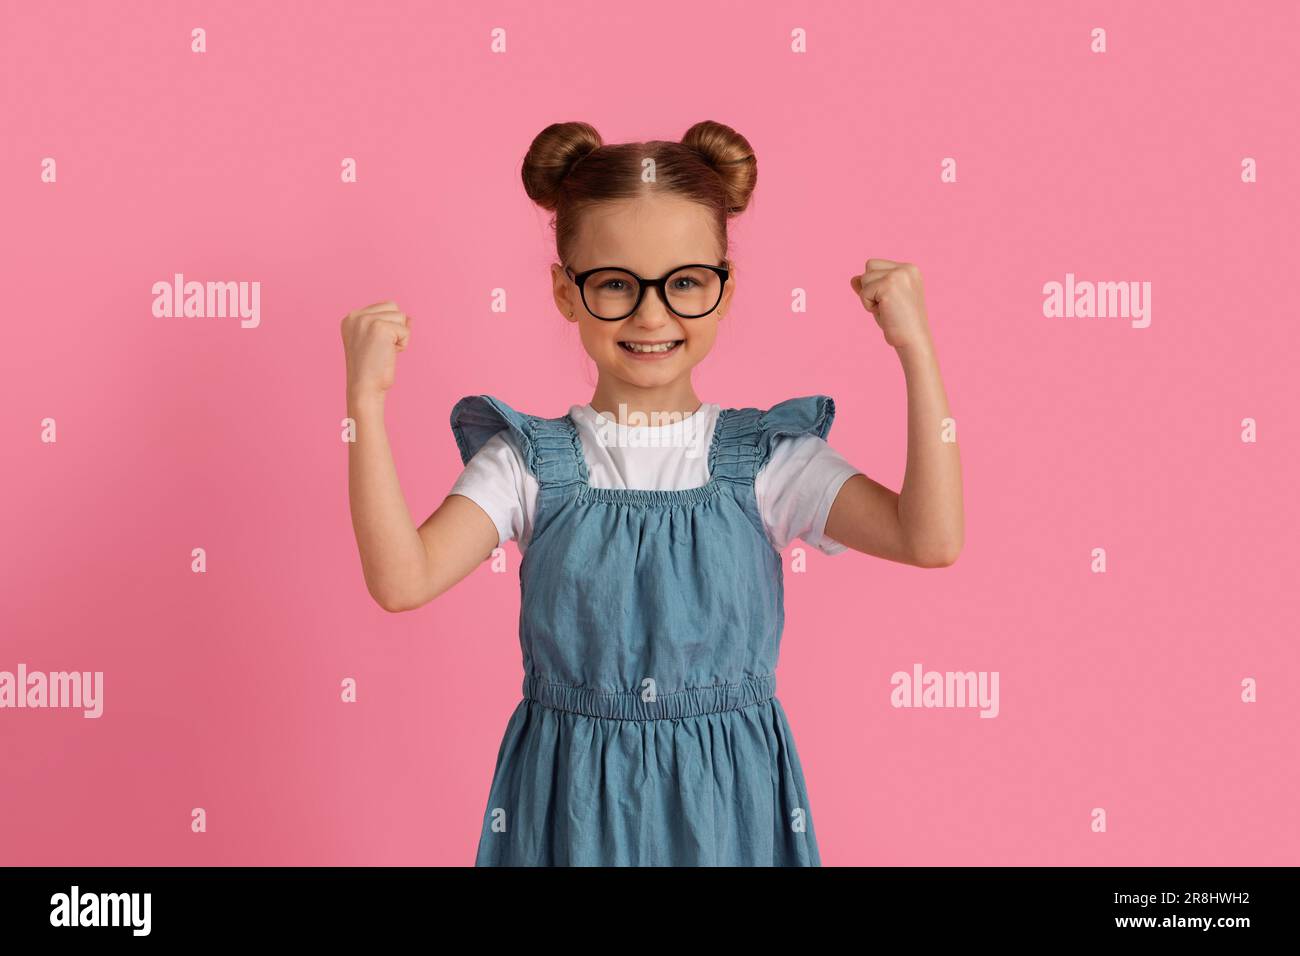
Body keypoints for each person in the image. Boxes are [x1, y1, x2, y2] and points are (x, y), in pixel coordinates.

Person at [340, 120, 964, 865]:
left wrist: (917, 353)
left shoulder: (767, 460)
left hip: (726, 814)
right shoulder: (528, 464)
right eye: (613, 284)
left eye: (686, 283)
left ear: (724, 289)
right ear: (564, 293)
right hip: (570, 810)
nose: (651, 314)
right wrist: (365, 403)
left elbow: (931, 539)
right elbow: (401, 579)